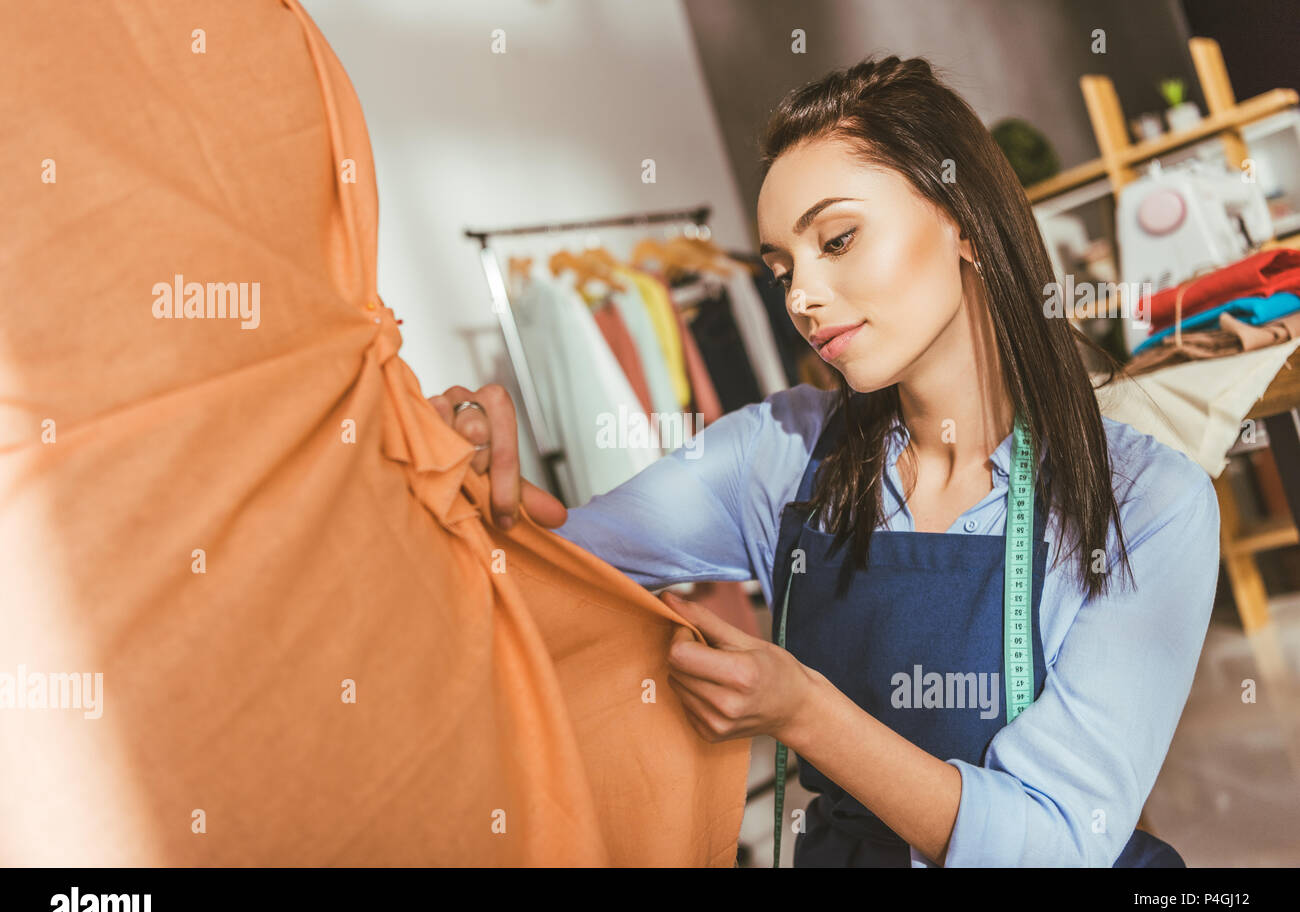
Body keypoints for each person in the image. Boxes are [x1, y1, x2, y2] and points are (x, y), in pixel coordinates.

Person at [430, 55, 1221, 867]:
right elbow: (529, 572)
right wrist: (448, 474)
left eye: (836, 240)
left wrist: (805, 712)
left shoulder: (1148, 502)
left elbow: (1055, 842)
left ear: (967, 225)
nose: (801, 296)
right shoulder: (777, 453)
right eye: (781, 270)